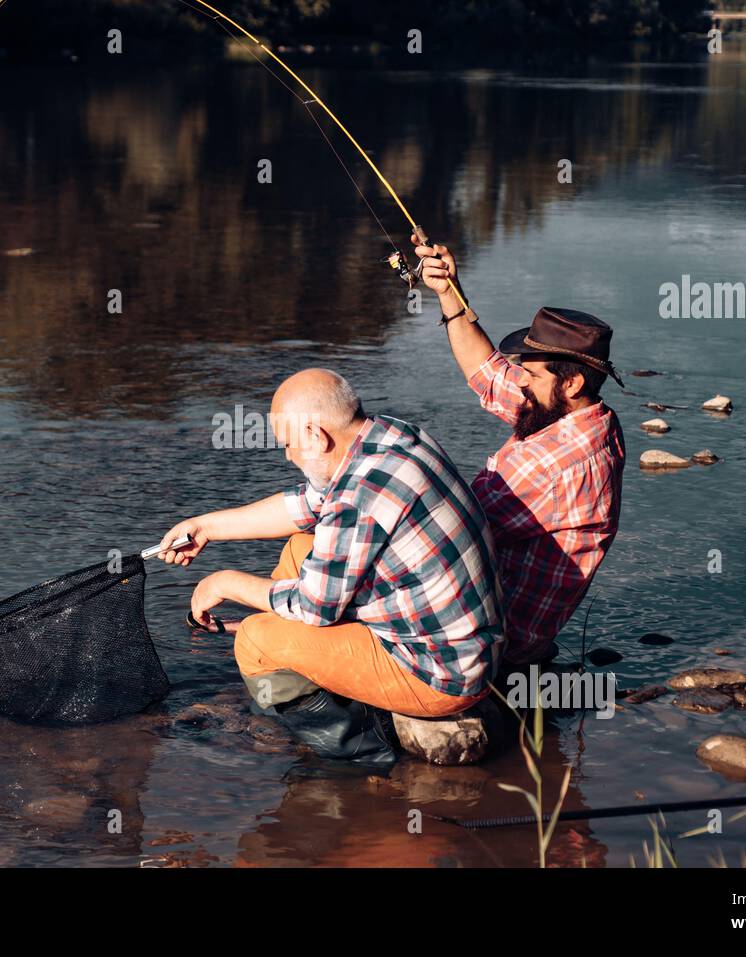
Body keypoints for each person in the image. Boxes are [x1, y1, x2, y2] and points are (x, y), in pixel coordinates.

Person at [157, 368, 505, 766]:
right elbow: (306, 505)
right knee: (299, 549)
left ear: (315, 435)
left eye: (288, 444)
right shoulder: (392, 437)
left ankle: (364, 753)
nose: (287, 456)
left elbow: (314, 607)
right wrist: (206, 527)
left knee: (254, 640)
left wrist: (225, 582)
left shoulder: (359, 495)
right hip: (464, 646)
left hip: (440, 676)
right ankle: (307, 675)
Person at [413, 236, 626, 667]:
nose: (520, 380)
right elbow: (488, 373)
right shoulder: (586, 416)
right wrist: (449, 294)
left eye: (529, 372)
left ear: (571, 383)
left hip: (486, 641)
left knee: (307, 579)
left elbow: (442, 535)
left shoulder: (552, 462)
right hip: (513, 626)